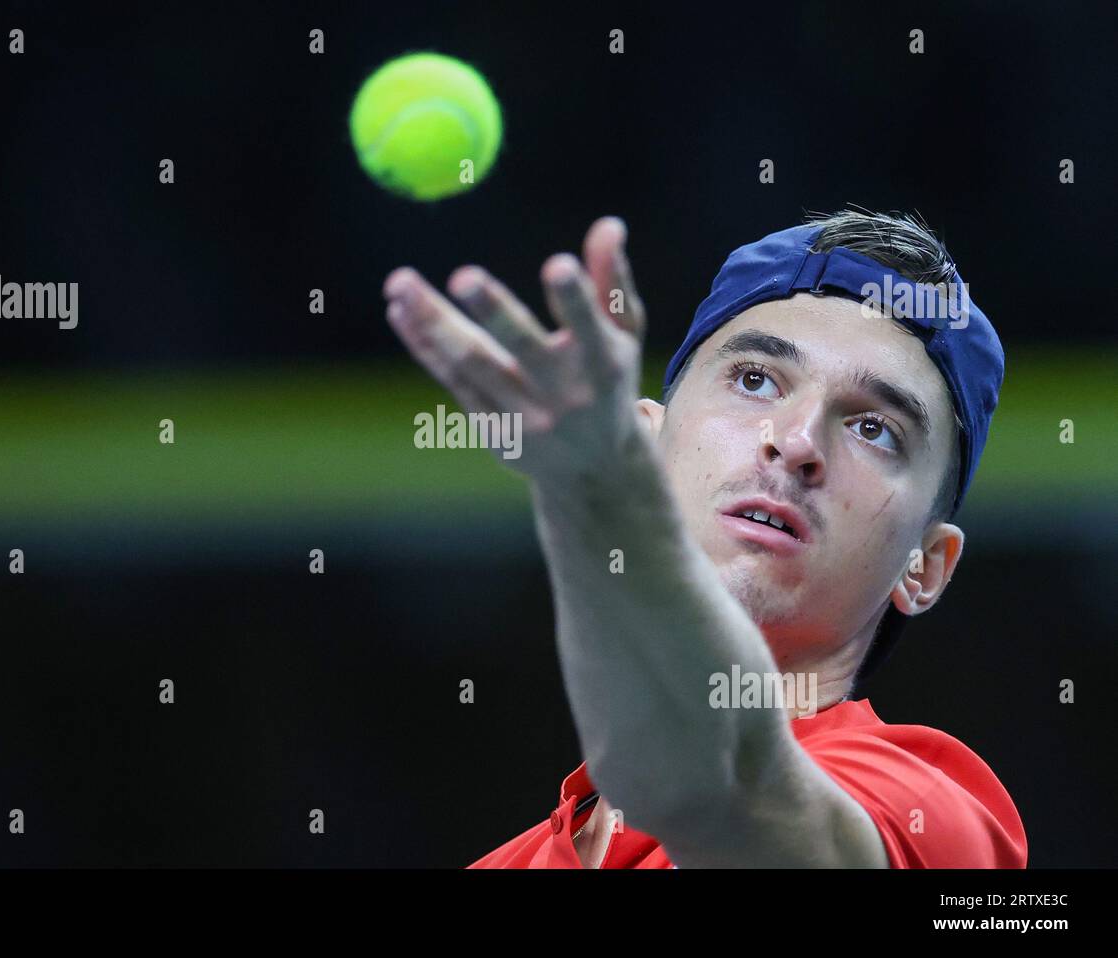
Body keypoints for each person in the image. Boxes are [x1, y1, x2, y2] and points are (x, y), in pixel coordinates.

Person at [382, 209, 1026, 868]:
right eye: (755, 379)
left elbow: (713, 799)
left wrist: (598, 503)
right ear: (648, 441)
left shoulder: (928, 815)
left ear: (924, 566)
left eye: (874, 428)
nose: (798, 440)